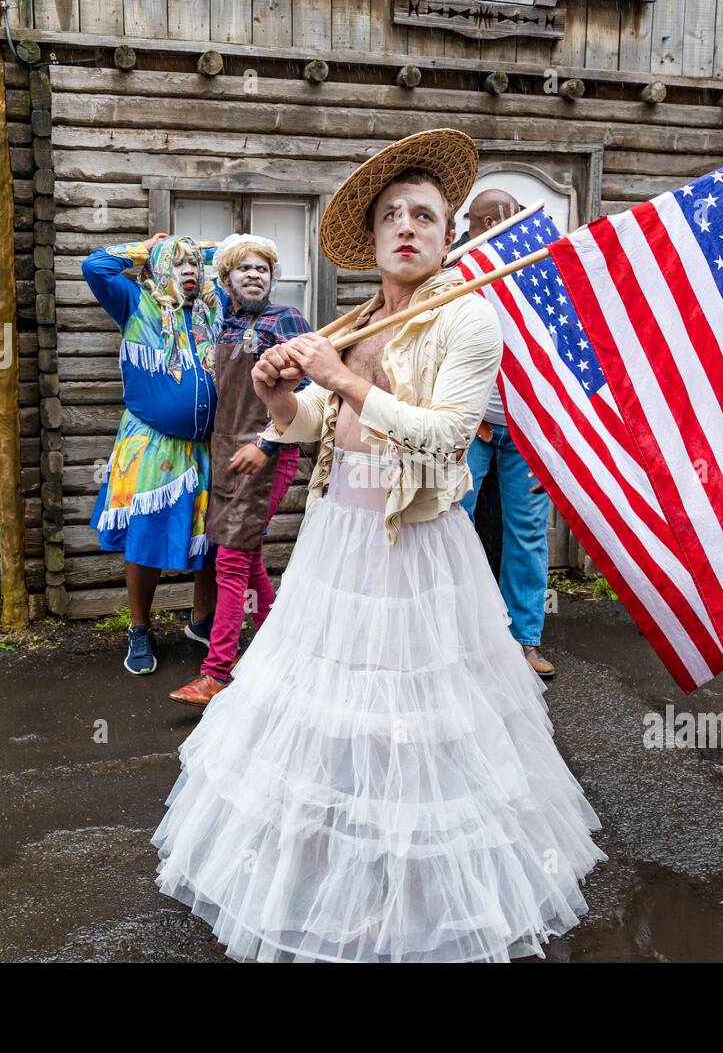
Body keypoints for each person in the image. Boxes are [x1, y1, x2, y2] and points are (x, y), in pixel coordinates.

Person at [150, 129, 606, 963]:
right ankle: (336, 873)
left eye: (424, 215)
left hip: (417, 541)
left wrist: (344, 375)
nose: (406, 226)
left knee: (419, 719)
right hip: (339, 533)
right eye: (392, 214)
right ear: (373, 237)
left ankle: (416, 893)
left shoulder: (468, 318)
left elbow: (446, 436)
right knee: (330, 711)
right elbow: (329, 425)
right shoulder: (362, 315)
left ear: (447, 233)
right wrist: (281, 402)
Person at [169, 234, 310, 705]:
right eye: (244, 269)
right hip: (225, 452)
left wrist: (266, 444)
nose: (255, 275)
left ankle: (218, 672)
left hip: (267, 453)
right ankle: (279, 651)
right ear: (226, 278)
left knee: (230, 557)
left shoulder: (286, 320)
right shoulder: (220, 323)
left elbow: (307, 396)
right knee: (244, 557)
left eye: (263, 269)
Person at [82, 234, 220, 675]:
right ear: (157, 270)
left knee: (209, 538)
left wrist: (200, 248)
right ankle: (140, 629)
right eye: (179, 264)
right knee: (145, 539)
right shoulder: (135, 304)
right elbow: (94, 266)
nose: (191, 270)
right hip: (150, 444)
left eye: (195, 264)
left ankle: (202, 622)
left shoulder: (211, 313)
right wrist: (147, 246)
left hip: (206, 445)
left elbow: (236, 255)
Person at [459, 188, 557, 680]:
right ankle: (457, 634)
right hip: (468, 423)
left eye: (508, 218)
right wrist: (466, 411)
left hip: (526, 428)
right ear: (471, 226)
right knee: (452, 525)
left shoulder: (541, 272)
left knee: (527, 532)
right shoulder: (455, 273)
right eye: (488, 220)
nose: (500, 226)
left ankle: (524, 639)